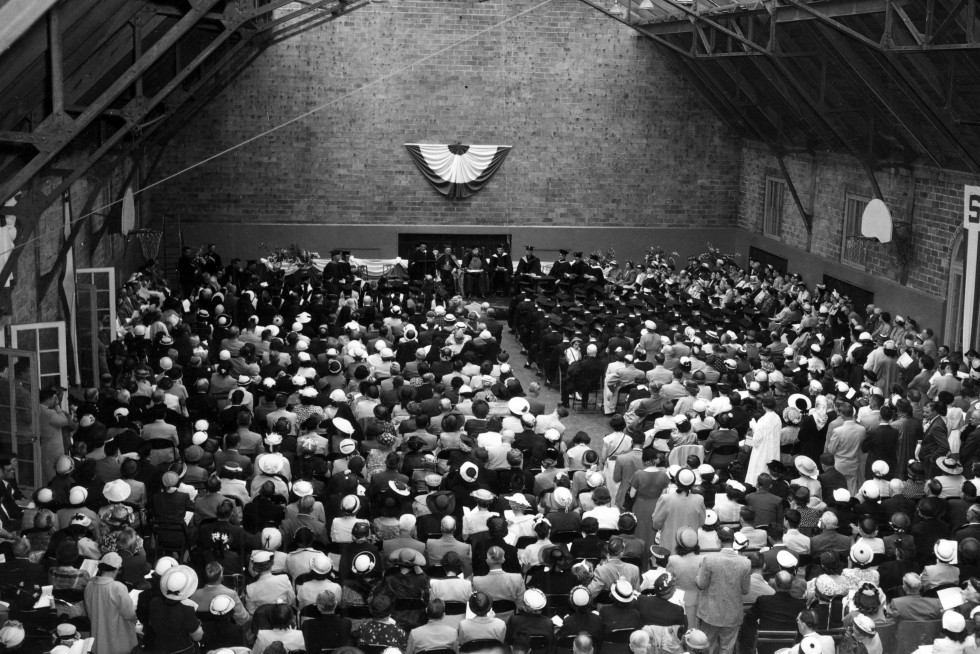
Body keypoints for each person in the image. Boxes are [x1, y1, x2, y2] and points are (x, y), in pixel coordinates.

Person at [695, 527, 751, 654]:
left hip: (710, 612)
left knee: (706, 647)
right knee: (727, 649)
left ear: (719, 541)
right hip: (732, 613)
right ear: (733, 540)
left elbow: (701, 584)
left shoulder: (709, 559)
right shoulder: (745, 563)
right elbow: (745, 590)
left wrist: (697, 575)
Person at [83, 552, 138, 654]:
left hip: (98, 639)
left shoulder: (89, 586)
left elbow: (90, 614)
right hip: (119, 641)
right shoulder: (118, 587)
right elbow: (130, 614)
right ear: (116, 569)